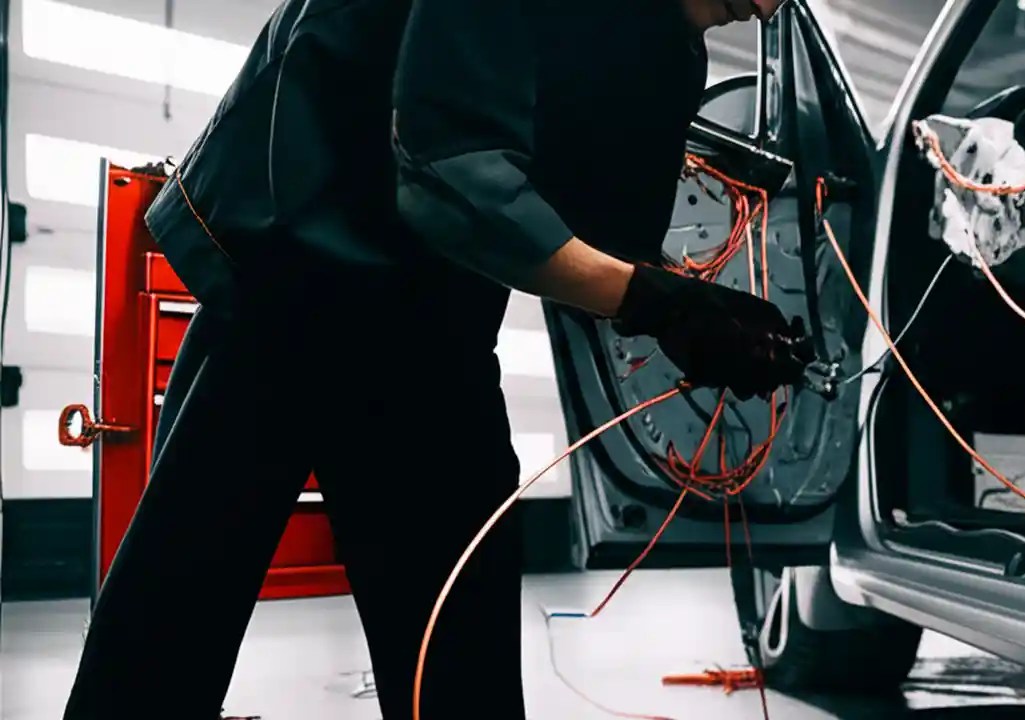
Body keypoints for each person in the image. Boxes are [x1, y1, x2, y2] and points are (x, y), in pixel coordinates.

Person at [61, 0, 801, 718]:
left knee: (457, 632)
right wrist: (658, 303)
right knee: (181, 594)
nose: (768, 9)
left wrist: (706, 310)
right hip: (292, 251)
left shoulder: (670, 51)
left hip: (434, 304)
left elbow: (604, 246)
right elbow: (453, 180)